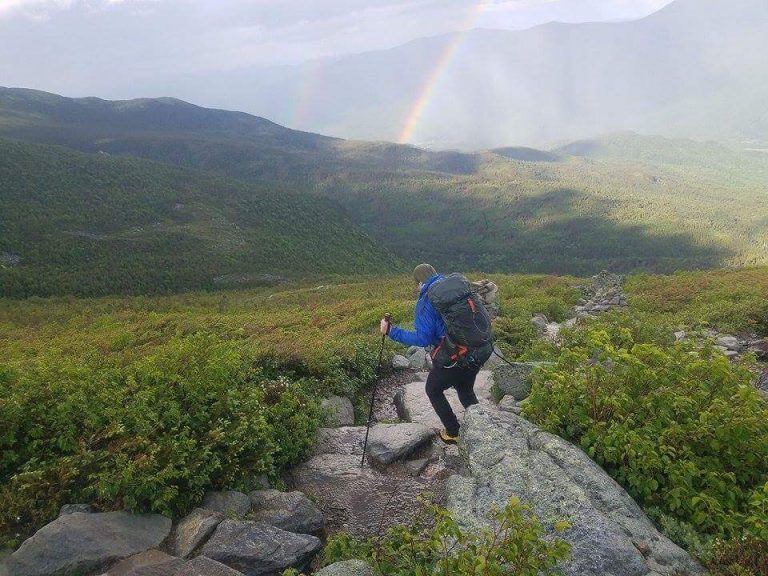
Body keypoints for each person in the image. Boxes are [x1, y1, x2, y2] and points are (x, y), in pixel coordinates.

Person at [380, 263, 480, 444]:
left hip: (454, 354)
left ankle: (453, 432)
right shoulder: (456, 290)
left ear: (419, 282)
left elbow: (423, 338)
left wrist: (391, 331)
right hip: (475, 349)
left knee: (433, 389)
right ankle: (484, 427)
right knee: (465, 389)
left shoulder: (427, 301)